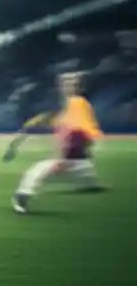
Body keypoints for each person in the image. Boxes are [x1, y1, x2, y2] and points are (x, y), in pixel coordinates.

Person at [11, 72, 105, 214]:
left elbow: (70, 135)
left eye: (72, 84)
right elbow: (84, 136)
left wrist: (60, 158)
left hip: (71, 161)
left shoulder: (76, 104)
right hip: (83, 164)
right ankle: (90, 184)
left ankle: (21, 199)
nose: (68, 87)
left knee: (35, 172)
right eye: (66, 84)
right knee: (85, 176)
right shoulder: (73, 105)